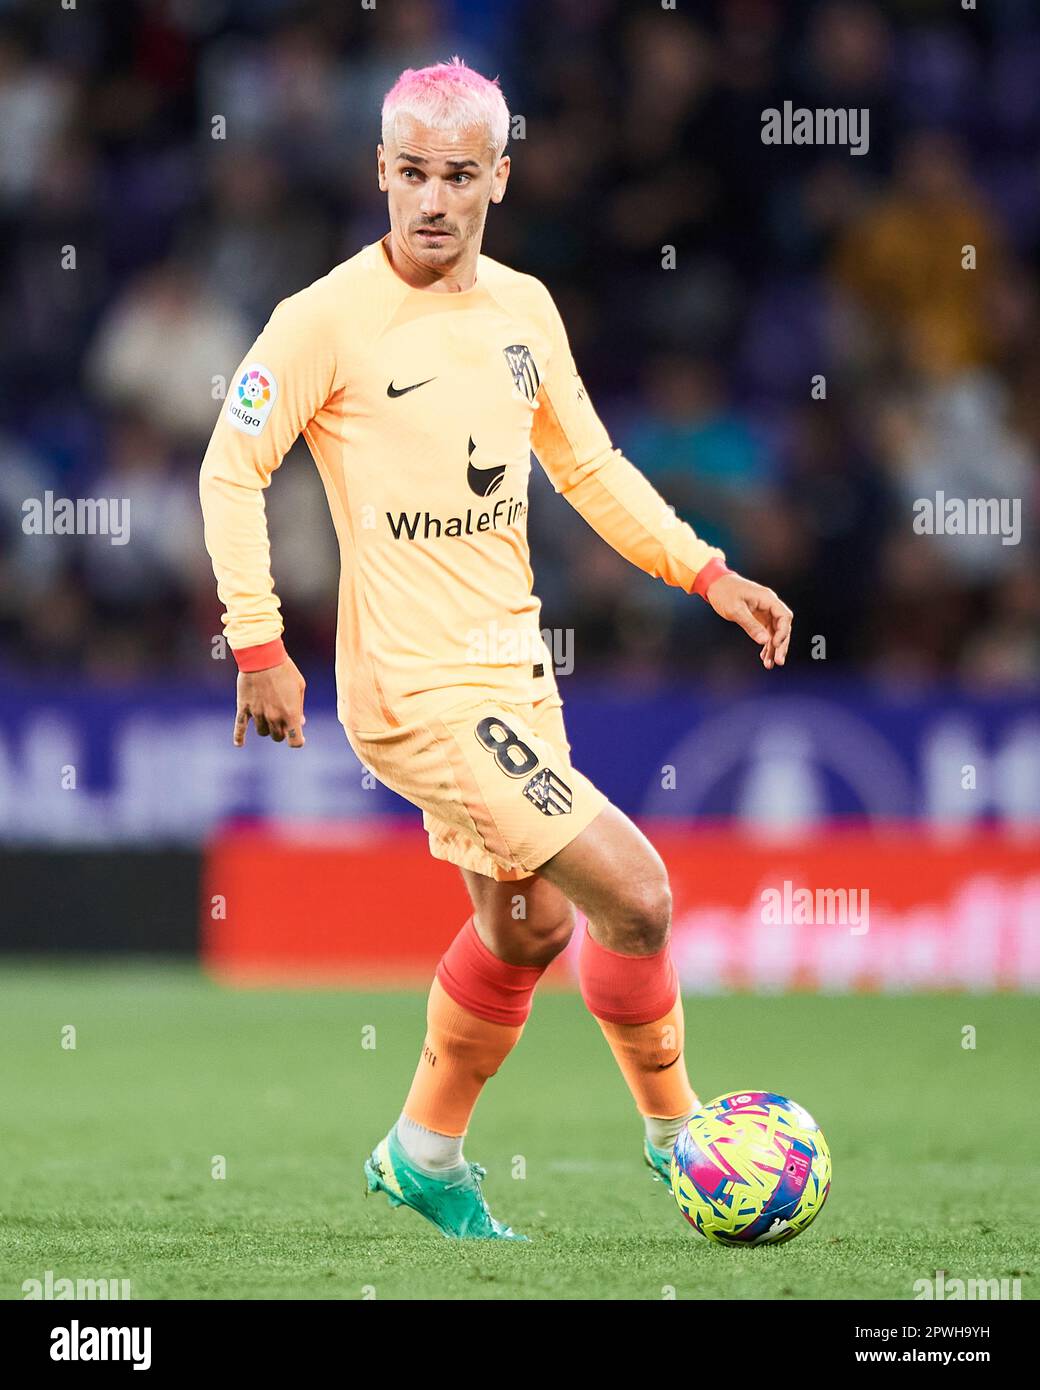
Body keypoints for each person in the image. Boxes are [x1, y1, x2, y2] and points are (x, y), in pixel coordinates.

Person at [199, 57, 793, 1241]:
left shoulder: (522, 309)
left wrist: (706, 570)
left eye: (456, 176)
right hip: (415, 689)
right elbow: (229, 467)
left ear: (498, 180)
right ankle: (689, 1144)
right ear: (378, 169)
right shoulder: (320, 320)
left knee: (529, 928)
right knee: (637, 894)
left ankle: (422, 1148)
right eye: (409, 172)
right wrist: (257, 641)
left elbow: (589, 468)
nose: (429, 198)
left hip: (514, 671)